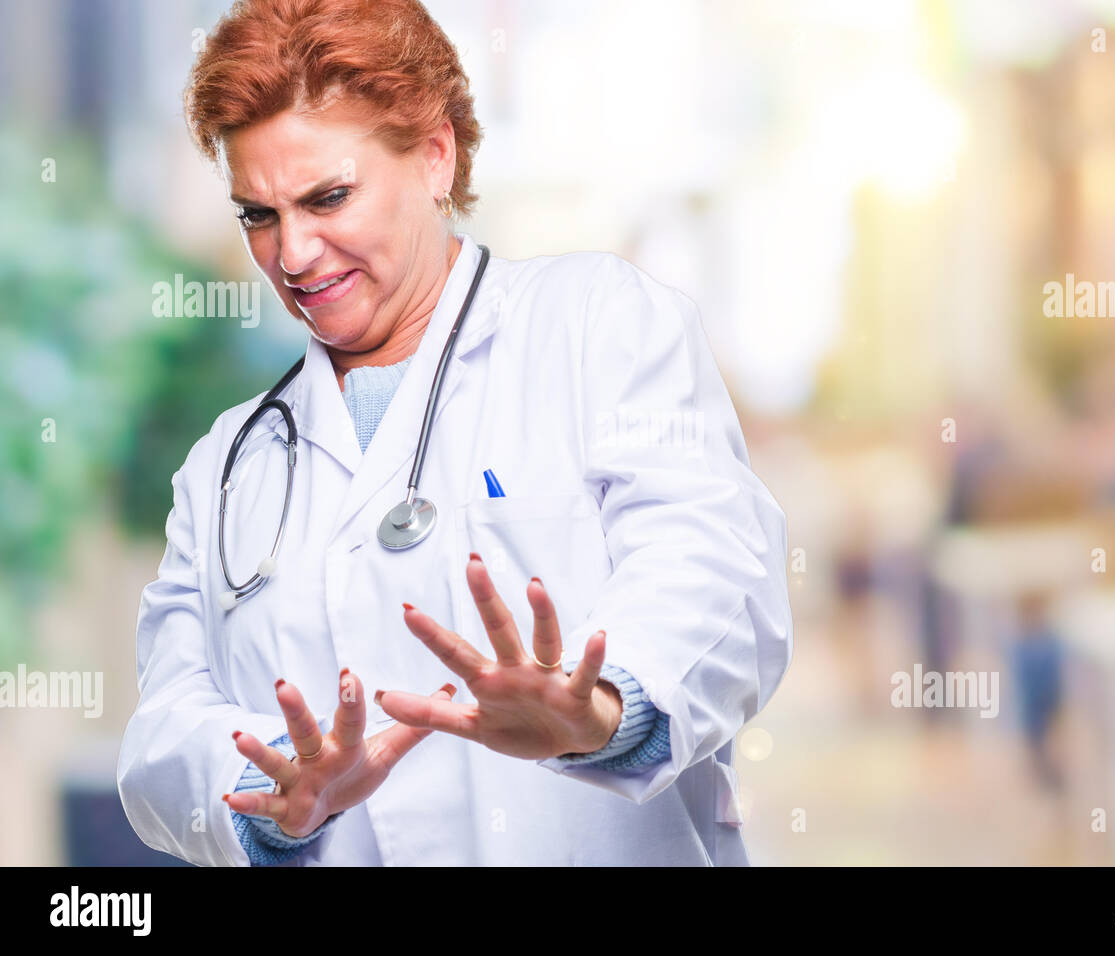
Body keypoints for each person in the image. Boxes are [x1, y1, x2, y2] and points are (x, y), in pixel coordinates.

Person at [115, 0, 793, 866]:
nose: (292, 253)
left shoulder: (594, 325)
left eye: (329, 197)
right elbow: (164, 729)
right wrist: (269, 794)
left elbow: (714, 565)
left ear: (436, 155)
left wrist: (605, 711)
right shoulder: (227, 465)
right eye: (259, 214)